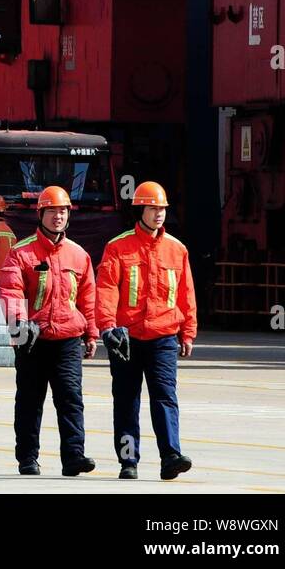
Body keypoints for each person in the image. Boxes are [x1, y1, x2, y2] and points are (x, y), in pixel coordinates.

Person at [96, 181, 197, 481]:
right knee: (126, 399)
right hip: (126, 338)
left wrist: (188, 332)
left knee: (165, 396)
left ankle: (171, 456)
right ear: (140, 210)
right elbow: (107, 290)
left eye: (162, 209)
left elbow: (185, 293)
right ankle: (128, 461)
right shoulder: (117, 247)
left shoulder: (177, 250)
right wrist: (107, 328)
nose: (158, 214)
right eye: (153, 209)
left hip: (164, 336)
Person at [0, 185, 99, 477]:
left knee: (70, 398)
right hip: (33, 340)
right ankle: (28, 458)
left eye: (63, 211)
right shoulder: (21, 253)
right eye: (53, 210)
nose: (58, 216)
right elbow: (10, 290)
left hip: (67, 339)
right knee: (30, 401)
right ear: (40, 214)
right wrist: (19, 325)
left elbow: (87, 298)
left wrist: (91, 333)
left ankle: (74, 456)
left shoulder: (79, 256)